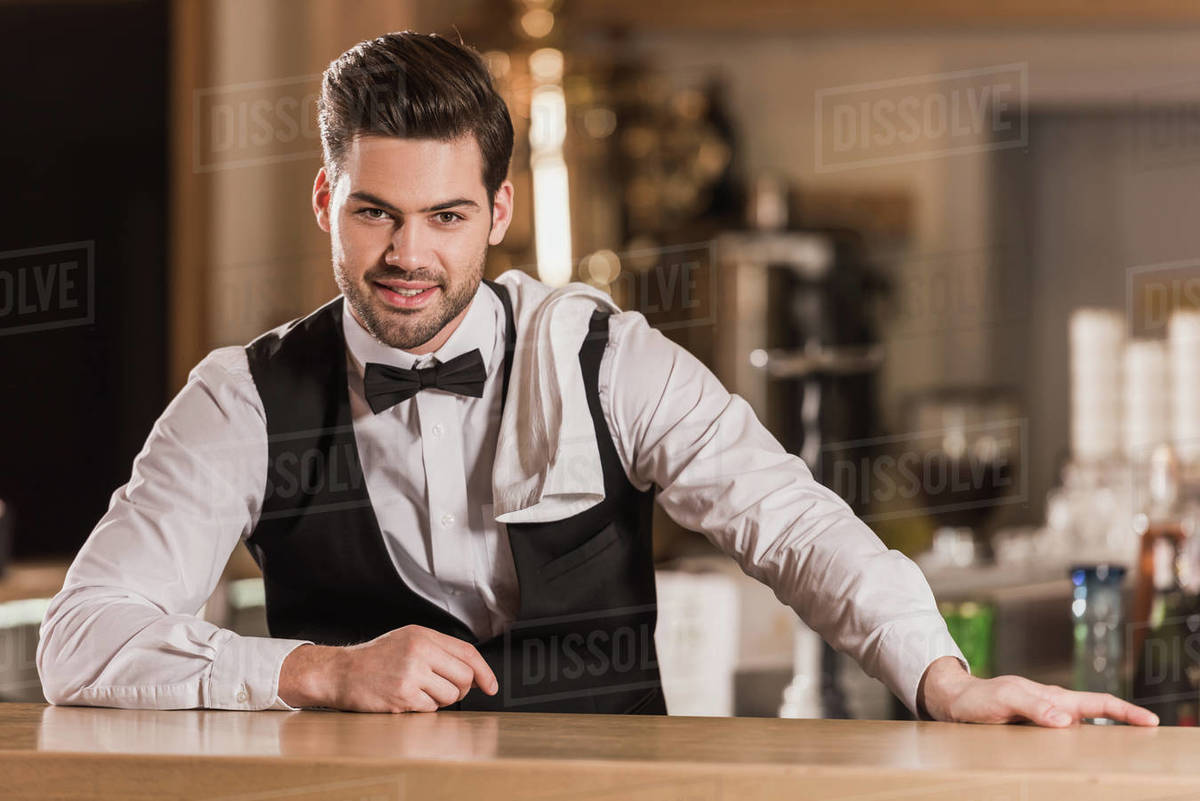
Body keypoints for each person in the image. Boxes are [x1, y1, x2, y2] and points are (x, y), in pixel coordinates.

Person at [37, 31, 1156, 727]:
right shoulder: (241, 397)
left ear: (502, 215)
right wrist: (318, 675)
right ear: (327, 202)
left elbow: (794, 524)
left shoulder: (605, 357)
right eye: (375, 212)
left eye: (445, 217)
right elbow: (80, 637)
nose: (407, 256)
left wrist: (946, 681)